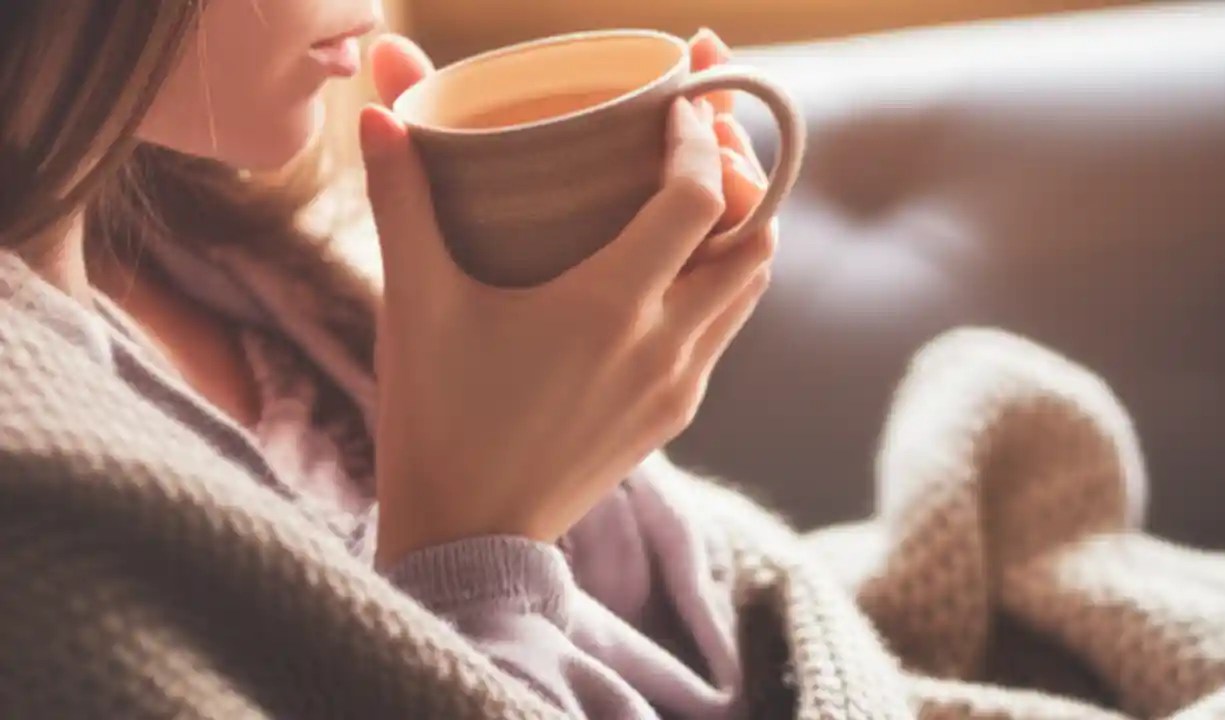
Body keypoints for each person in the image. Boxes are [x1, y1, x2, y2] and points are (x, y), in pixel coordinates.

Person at [0, 1, 900, 717]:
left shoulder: (219, 247)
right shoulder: (39, 525)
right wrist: (472, 544)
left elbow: (690, 624)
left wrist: (581, 429)